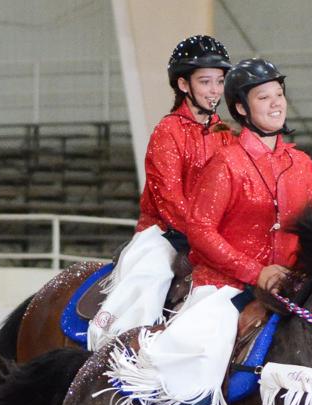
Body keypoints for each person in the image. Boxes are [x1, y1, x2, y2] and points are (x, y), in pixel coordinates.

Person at [107, 59, 312, 405]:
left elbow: (309, 228)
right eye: (265, 97)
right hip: (225, 286)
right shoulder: (227, 162)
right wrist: (254, 271)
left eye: (279, 93)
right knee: (201, 358)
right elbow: (201, 232)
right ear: (242, 108)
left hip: (289, 285)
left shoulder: (301, 164)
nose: (277, 102)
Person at [87, 34, 232, 351]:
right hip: (166, 234)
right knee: (152, 277)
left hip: (213, 236)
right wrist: (205, 234)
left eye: (219, 81)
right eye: (205, 82)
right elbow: (170, 201)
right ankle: (119, 349)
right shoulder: (167, 132)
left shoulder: (227, 135)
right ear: (183, 85)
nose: (215, 91)